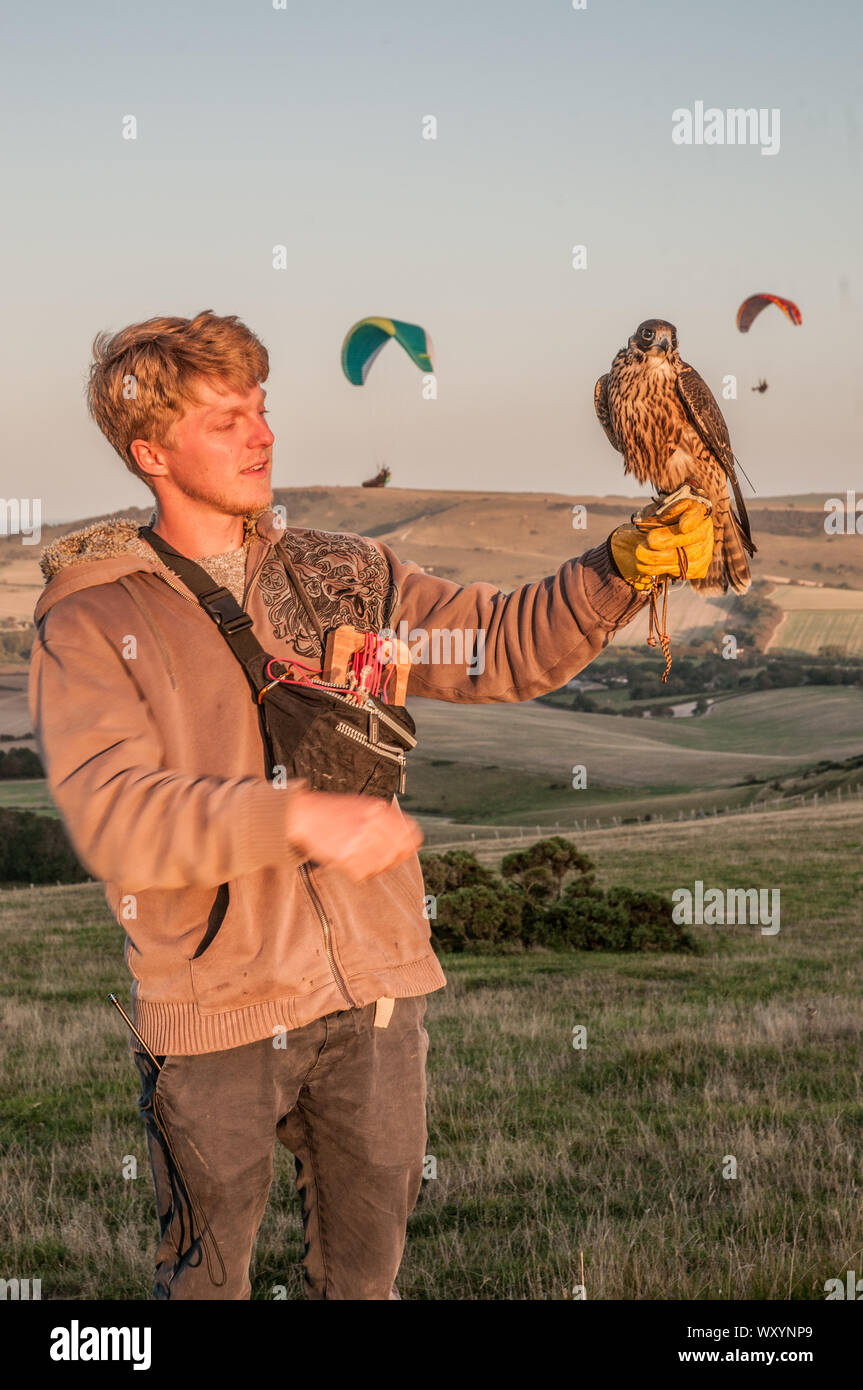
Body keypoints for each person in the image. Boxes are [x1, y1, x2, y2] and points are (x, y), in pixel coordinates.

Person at [29, 310, 713, 1301]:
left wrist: (613, 570)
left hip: (376, 999)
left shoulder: (343, 571)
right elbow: (114, 814)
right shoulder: (94, 616)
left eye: (260, 409)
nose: (261, 435)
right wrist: (297, 818)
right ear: (152, 451)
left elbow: (491, 643)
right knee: (206, 1282)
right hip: (215, 1011)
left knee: (363, 1284)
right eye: (226, 420)